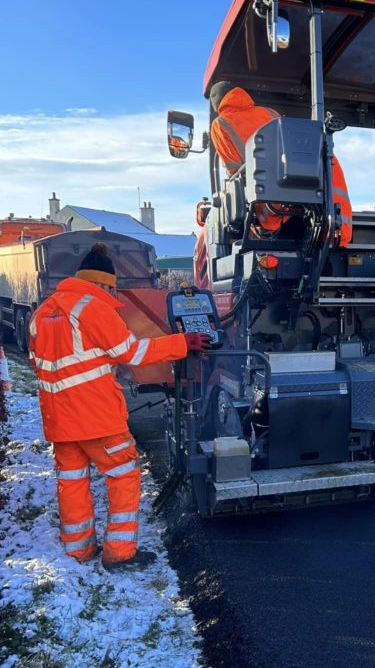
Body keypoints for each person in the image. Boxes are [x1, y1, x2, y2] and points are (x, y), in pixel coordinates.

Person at [28, 243, 210, 569]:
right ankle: (120, 553)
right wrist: (183, 342)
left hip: (58, 419)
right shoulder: (93, 309)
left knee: (72, 480)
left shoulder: (43, 311)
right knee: (124, 472)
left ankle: (79, 549)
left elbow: (39, 363)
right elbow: (132, 354)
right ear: (104, 284)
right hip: (95, 417)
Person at [208, 81, 353, 246]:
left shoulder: (220, 124)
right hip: (304, 188)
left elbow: (232, 169)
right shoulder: (269, 112)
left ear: (217, 104)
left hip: (268, 199)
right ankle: (337, 237)